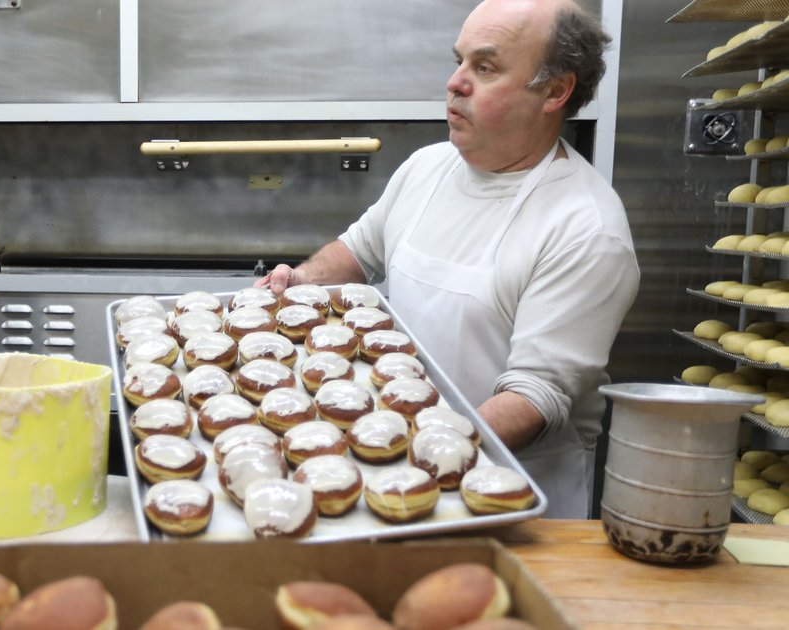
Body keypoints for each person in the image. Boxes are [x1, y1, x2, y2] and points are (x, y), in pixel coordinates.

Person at [256, 0, 639, 518]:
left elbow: (535, 398)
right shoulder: (428, 167)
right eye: (459, 61)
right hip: (388, 477)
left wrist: (414, 452)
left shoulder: (585, 228)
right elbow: (359, 250)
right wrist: (300, 278)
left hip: (509, 505)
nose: (455, 83)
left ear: (555, 90)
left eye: (485, 67)